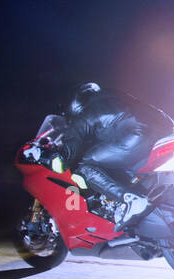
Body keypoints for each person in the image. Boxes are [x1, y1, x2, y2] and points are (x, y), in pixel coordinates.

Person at [58, 82, 157, 227]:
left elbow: (71, 148)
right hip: (164, 129)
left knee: (85, 166)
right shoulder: (114, 96)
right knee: (110, 161)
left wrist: (58, 158)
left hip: (137, 134)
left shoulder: (85, 113)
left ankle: (130, 199)